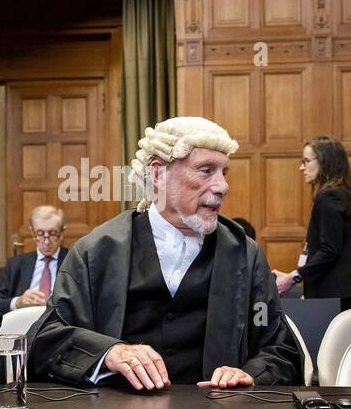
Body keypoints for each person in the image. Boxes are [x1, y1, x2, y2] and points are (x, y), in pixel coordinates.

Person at [28, 116, 302, 390]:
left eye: (224, 172)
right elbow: (46, 339)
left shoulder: (245, 256)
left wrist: (250, 373)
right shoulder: (98, 252)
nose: (222, 186)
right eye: (206, 170)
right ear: (158, 174)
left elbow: (279, 349)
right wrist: (108, 353)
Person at [274, 135, 351, 308]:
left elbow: (330, 250)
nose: (302, 167)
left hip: (333, 293)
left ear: (325, 162)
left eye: (306, 161)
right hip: (333, 291)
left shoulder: (329, 196)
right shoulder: (335, 194)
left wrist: (293, 277)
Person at [0, 205, 69, 314]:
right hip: (23, 323)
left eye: (52, 234)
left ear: (61, 233)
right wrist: (18, 301)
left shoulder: (73, 261)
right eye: (40, 234)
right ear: (32, 233)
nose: (46, 242)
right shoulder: (15, 264)